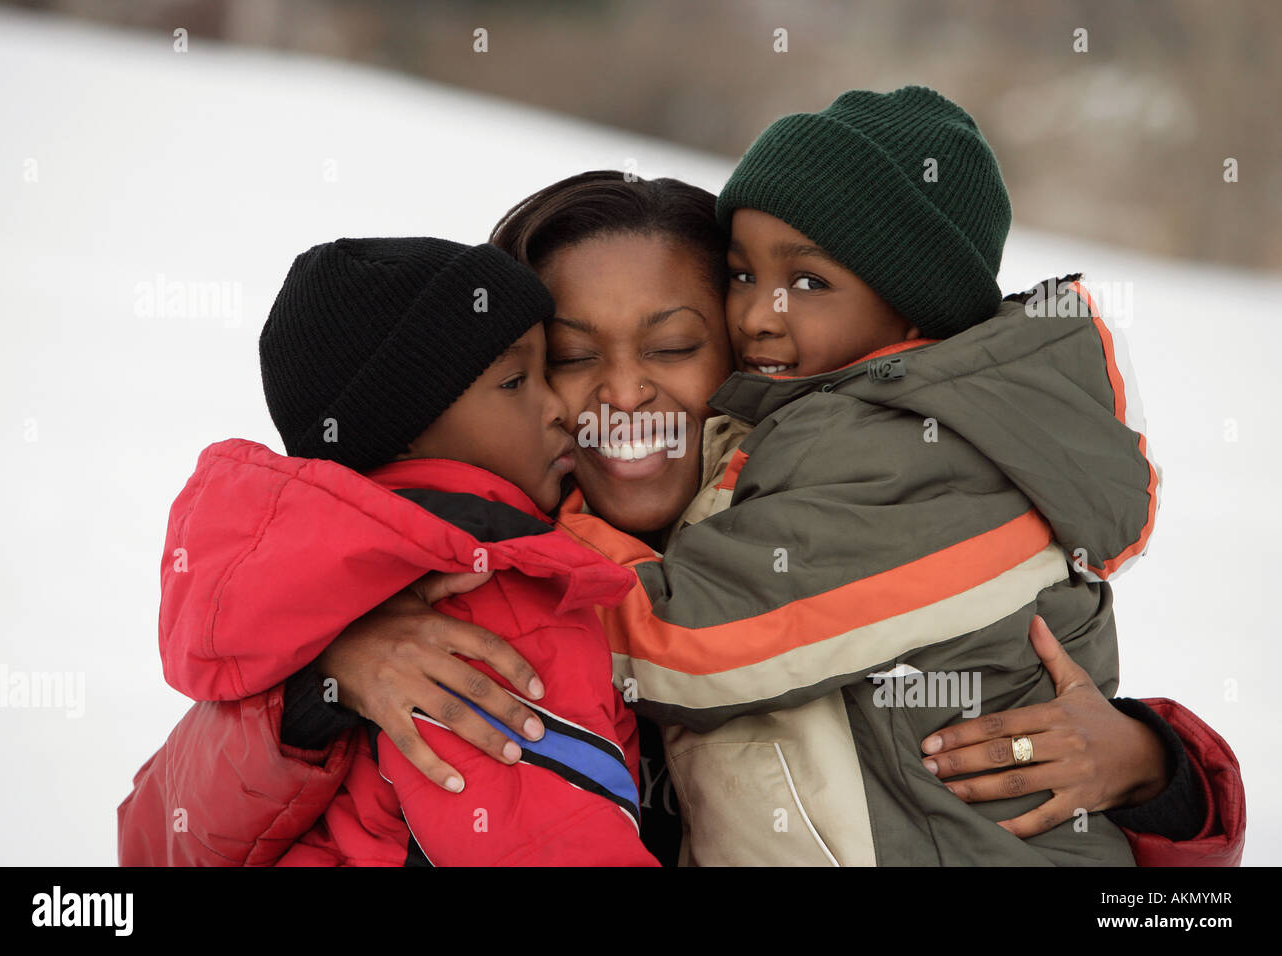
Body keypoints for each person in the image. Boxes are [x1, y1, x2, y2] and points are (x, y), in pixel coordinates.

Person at [119, 175, 1243, 867]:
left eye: (671, 344)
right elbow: (152, 843)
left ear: (743, 347)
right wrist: (324, 682)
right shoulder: (440, 579)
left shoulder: (823, 521)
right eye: (566, 357)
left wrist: (1156, 767)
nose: (620, 393)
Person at [562, 86, 1158, 864]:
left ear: (914, 310)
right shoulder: (805, 424)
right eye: (741, 274)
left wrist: (532, 544)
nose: (758, 315)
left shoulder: (920, 456)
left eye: (808, 283)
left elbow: (683, 647)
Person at [121, 237, 657, 866]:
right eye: (516, 381)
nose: (561, 407)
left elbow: (148, 842)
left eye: (548, 372)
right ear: (402, 433)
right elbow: (544, 846)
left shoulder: (323, 597)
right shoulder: (491, 599)